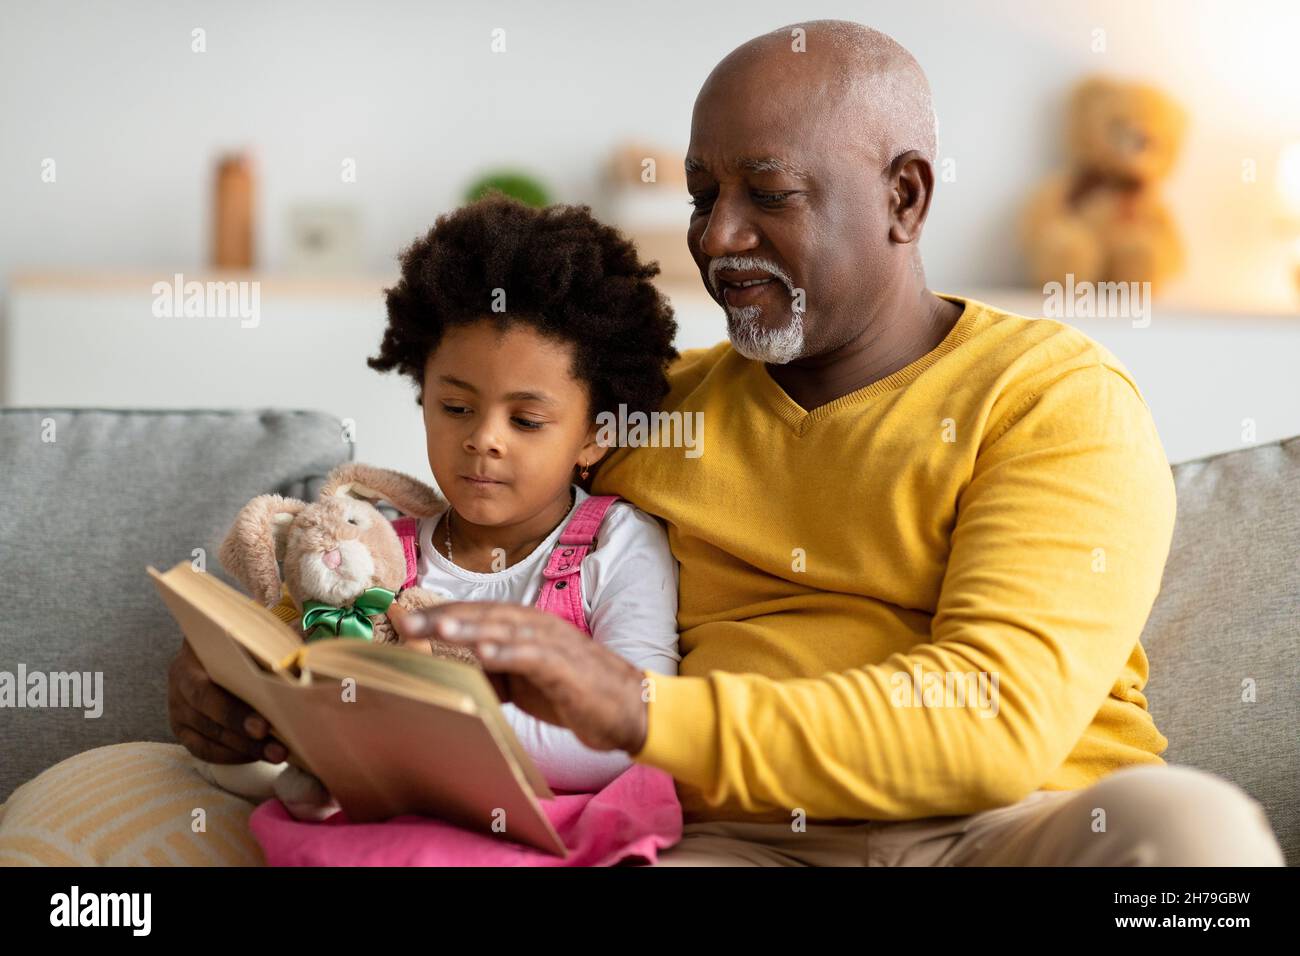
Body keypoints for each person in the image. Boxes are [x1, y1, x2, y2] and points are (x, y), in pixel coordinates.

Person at [169, 20, 1285, 865]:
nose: (716, 235)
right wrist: (261, 672)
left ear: (904, 195)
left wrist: (640, 710)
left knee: (1191, 837)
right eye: (703, 193)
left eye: (767, 194)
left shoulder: (1050, 400)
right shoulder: (649, 411)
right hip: (739, 841)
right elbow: (447, 541)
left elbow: (990, 716)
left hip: (1010, 825)